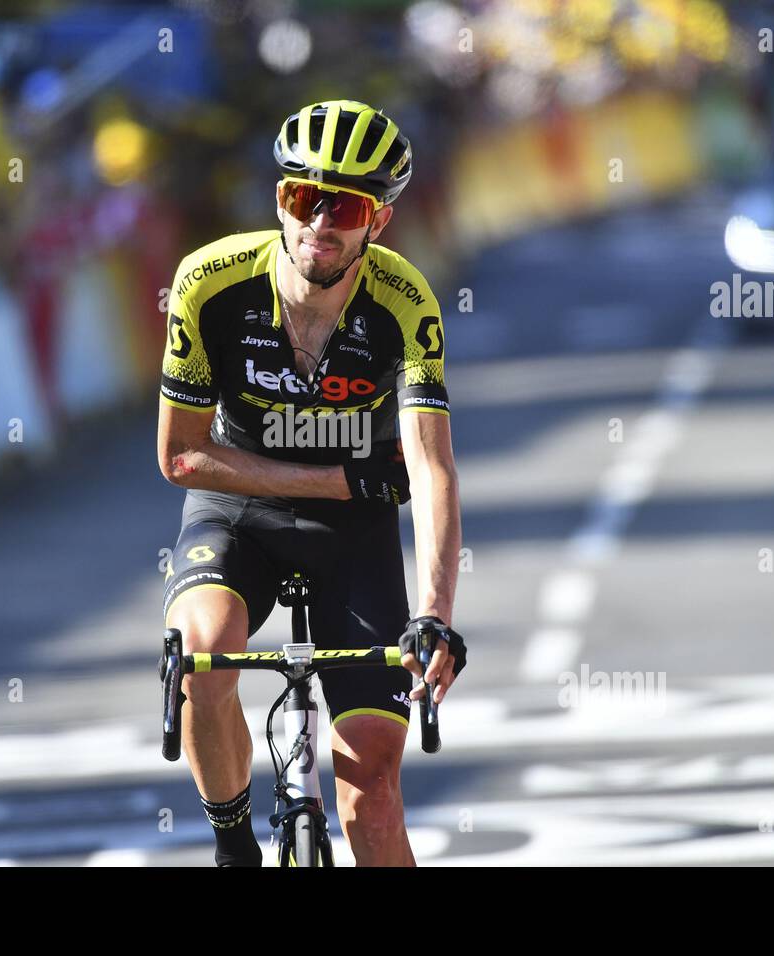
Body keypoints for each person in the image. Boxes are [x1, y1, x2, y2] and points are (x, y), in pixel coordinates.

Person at [155, 100, 466, 866]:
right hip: (236, 513)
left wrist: (435, 615)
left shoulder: (405, 302)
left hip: (350, 540)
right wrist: (338, 479)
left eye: (347, 207)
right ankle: (233, 847)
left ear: (379, 222)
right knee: (205, 651)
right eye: (302, 197)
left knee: (375, 792)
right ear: (279, 198)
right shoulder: (207, 282)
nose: (320, 223)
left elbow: (429, 468)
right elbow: (181, 459)